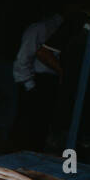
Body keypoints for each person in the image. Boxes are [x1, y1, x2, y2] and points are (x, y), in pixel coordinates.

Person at [12, 10, 64, 151]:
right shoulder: (40, 28)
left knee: (41, 131)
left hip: (50, 83)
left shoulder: (60, 28)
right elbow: (22, 60)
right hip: (35, 82)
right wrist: (30, 86)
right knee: (25, 130)